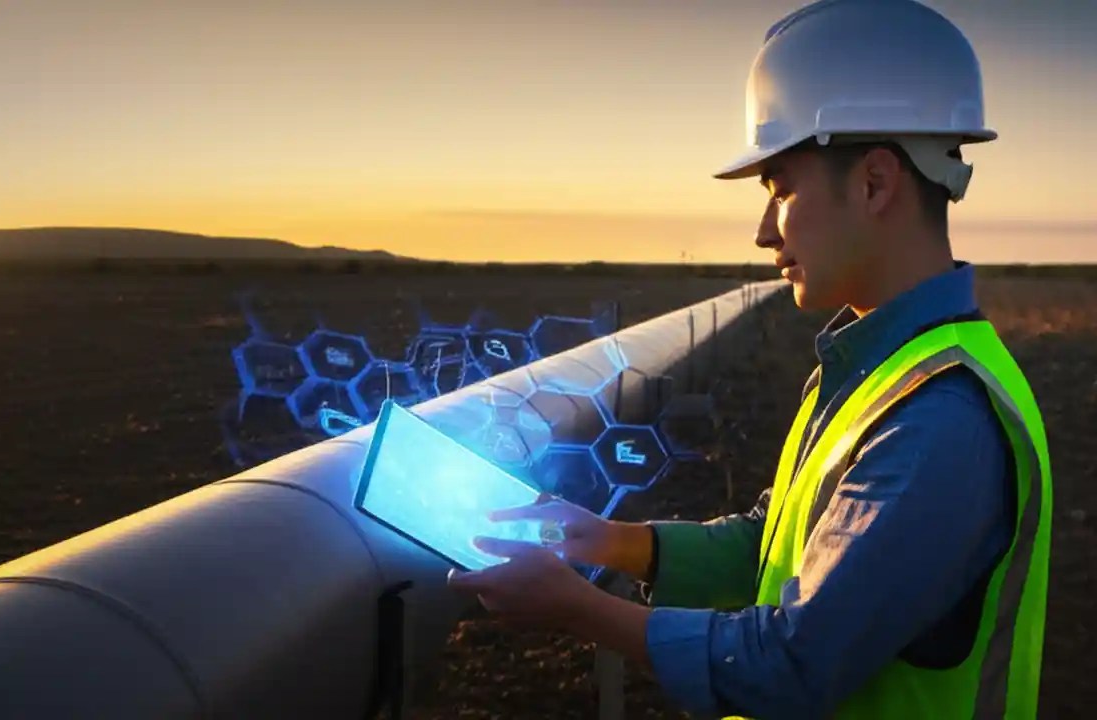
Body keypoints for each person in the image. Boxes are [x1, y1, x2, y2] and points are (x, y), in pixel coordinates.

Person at [447, 1, 1053, 717]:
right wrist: (609, 540)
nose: (765, 231)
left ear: (875, 183)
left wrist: (573, 608)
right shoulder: (878, 371)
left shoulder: (937, 420)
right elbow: (776, 548)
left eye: (782, 189)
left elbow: (788, 665)